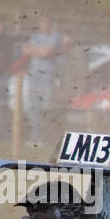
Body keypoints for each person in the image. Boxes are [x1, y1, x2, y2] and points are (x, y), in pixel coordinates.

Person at [21, 15, 65, 143]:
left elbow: (46, 53)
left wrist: (35, 51)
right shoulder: (35, 36)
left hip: (47, 76)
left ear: (50, 23)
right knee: (33, 107)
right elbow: (25, 50)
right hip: (34, 75)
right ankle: (35, 137)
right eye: (42, 22)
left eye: (46, 22)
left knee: (46, 107)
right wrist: (39, 51)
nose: (44, 24)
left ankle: (46, 137)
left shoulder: (55, 36)